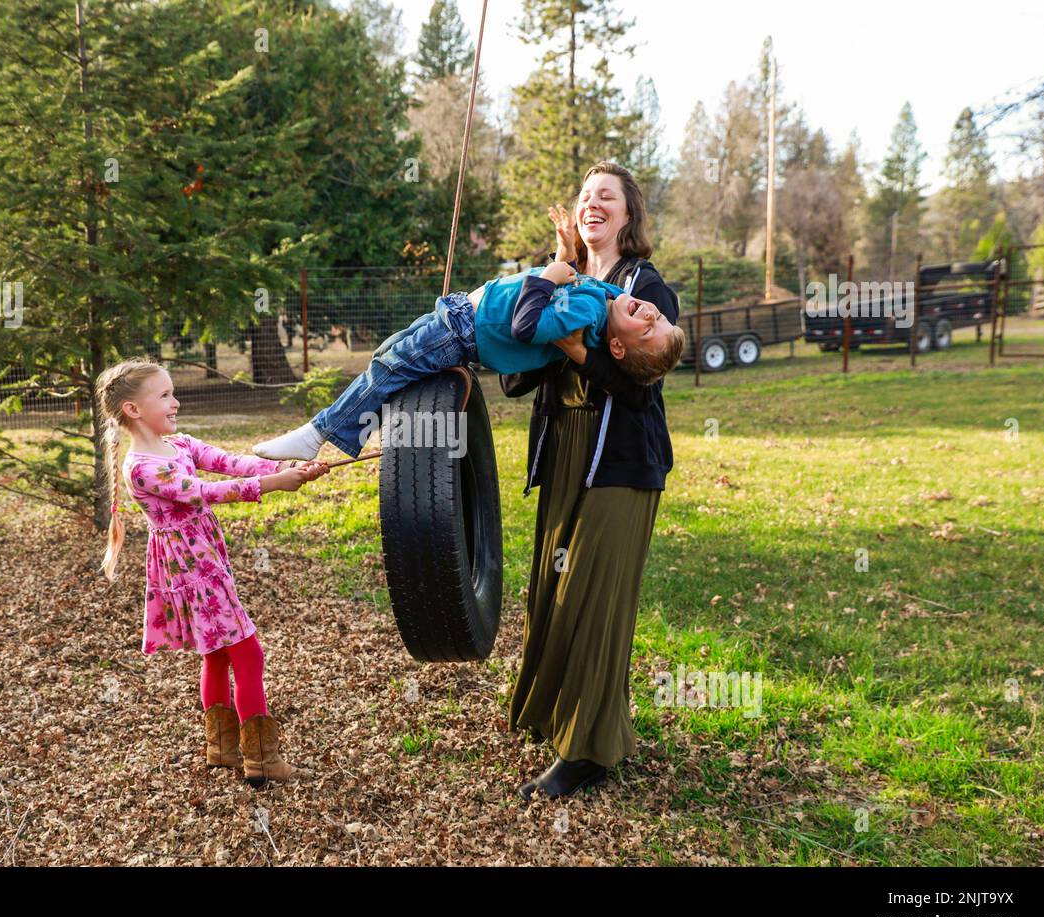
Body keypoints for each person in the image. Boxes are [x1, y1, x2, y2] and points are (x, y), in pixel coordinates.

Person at [504, 161, 681, 801]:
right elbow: (514, 374)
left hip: (622, 459)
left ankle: (589, 751)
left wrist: (579, 351)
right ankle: (554, 714)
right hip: (564, 448)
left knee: (591, 594)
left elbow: (641, 390)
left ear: (628, 215)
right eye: (585, 196)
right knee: (551, 588)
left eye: (606, 196)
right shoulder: (562, 278)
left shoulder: (646, 286)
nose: (592, 204)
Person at [94, 357, 329, 788]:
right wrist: (273, 486)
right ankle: (262, 759)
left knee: (217, 652)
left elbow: (229, 463)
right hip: (191, 567)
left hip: (201, 556)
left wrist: (283, 469)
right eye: (165, 395)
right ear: (132, 409)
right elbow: (201, 492)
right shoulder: (142, 467)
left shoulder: (179, 444)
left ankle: (222, 750)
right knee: (247, 652)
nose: (176, 402)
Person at [250, 259, 684, 461]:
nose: (649, 312)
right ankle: (354, 424)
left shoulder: (588, 315)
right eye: (658, 315)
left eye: (648, 328)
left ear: (618, 349)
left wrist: (548, 275)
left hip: (462, 333)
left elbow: (526, 327)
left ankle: (319, 434)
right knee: (387, 357)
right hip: (459, 311)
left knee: (388, 368)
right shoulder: (608, 297)